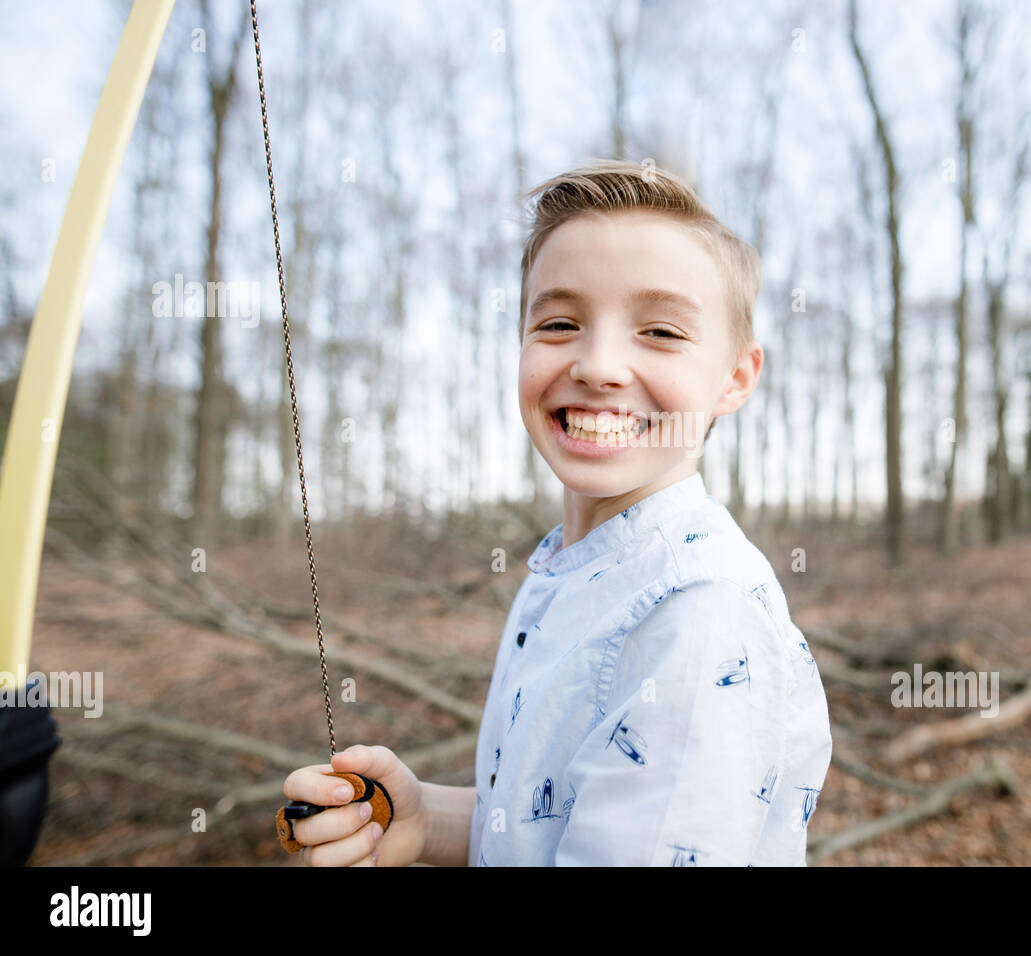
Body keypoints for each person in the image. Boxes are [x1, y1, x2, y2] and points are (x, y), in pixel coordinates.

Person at [281, 159, 832, 866]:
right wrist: (419, 820)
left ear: (735, 377)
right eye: (561, 322)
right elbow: (548, 812)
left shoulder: (698, 615)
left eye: (660, 332)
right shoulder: (576, 569)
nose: (599, 366)